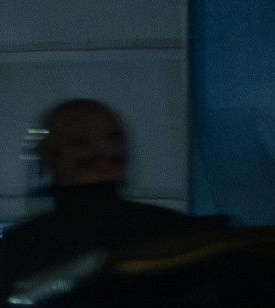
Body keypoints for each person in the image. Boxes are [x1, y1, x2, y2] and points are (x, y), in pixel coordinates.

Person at [14, 96, 193, 263]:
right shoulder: (170, 229)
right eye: (80, 142)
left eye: (113, 139)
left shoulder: (23, 243)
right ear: (51, 155)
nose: (104, 151)